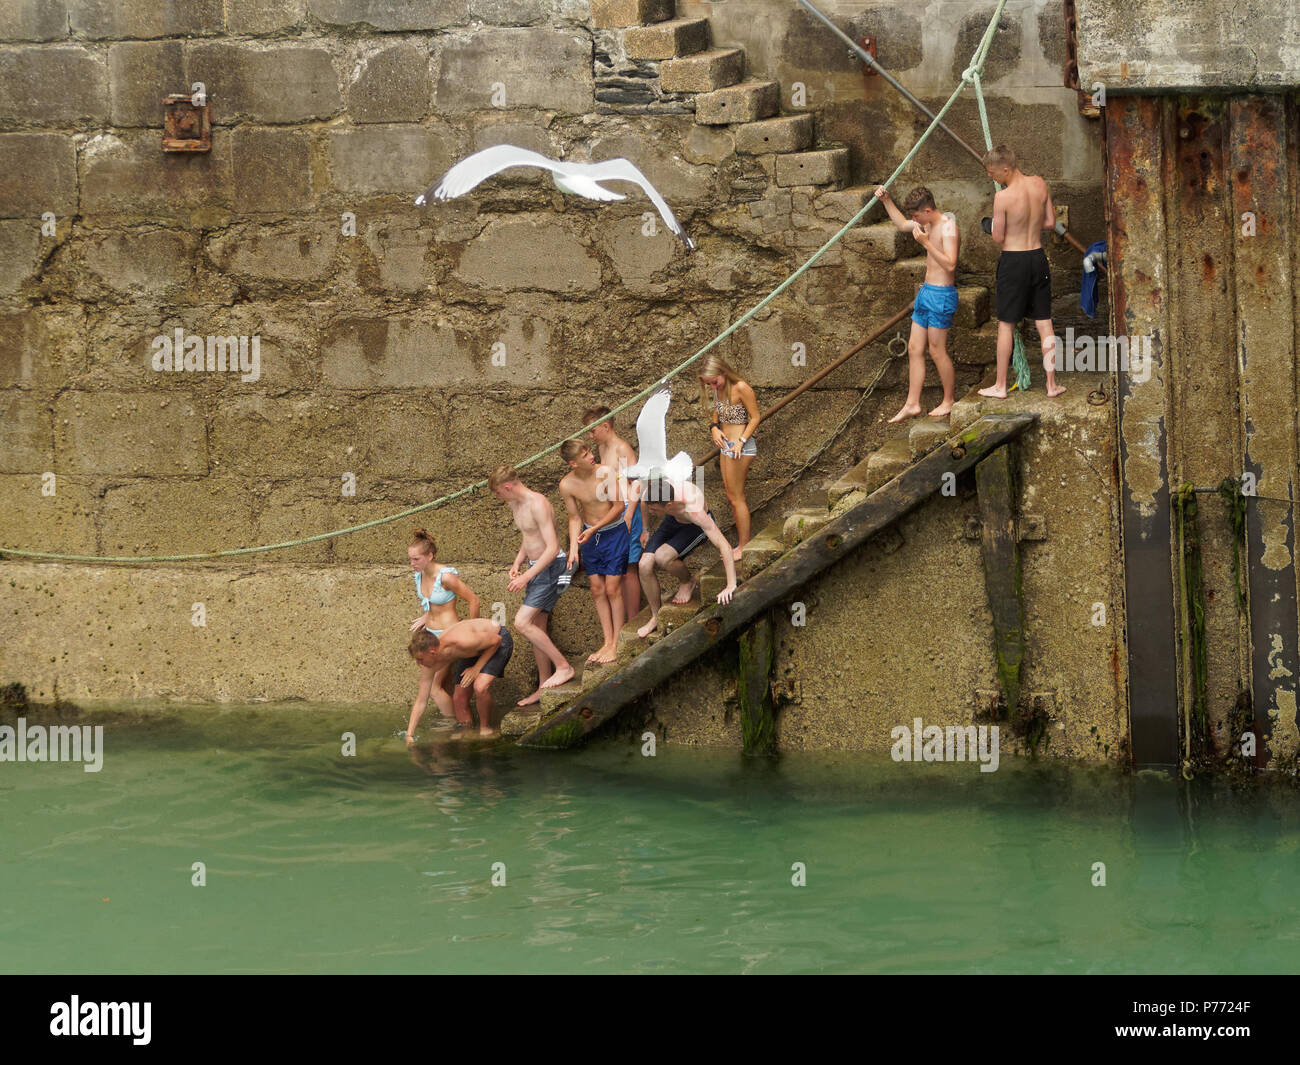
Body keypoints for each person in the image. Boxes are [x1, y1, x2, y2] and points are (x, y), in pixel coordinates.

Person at [977, 144, 1066, 399]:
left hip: (1013, 261)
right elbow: (1049, 222)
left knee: (1005, 324)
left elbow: (997, 237)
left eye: (992, 172)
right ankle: (1052, 385)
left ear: (1006, 168)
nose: (990, 176)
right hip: (1037, 258)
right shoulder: (1039, 183)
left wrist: (991, 225)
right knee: (1044, 321)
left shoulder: (1002, 198)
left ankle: (1000, 386)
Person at [488, 465, 575, 706]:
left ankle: (564, 667)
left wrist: (526, 577)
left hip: (551, 567)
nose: (499, 498)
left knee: (521, 622)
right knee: (538, 625)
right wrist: (518, 562)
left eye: (498, 493)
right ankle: (543, 686)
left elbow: (553, 548)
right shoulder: (514, 504)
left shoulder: (538, 504)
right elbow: (529, 537)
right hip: (536, 567)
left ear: (507, 487)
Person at [874, 184, 959, 421]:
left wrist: (926, 244)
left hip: (942, 295)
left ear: (929, 209)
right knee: (914, 348)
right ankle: (912, 403)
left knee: (936, 350)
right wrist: (887, 201)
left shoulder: (948, 227)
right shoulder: (926, 223)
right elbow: (902, 225)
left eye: (916, 216)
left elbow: (951, 264)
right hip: (925, 293)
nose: (914, 220)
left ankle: (948, 400)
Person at [629, 472, 738, 639]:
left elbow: (724, 545)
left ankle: (687, 581)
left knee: (662, 557)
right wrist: (645, 530)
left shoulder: (694, 509)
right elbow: (644, 500)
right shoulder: (655, 493)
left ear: (669, 504)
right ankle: (656, 617)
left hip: (693, 526)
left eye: (654, 509)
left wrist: (731, 585)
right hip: (672, 520)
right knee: (644, 565)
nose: (650, 511)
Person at [559, 438, 628, 664]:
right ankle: (607, 641)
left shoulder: (606, 472)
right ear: (573, 463)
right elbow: (574, 517)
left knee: (612, 587)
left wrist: (594, 530)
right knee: (597, 589)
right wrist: (572, 549)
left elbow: (618, 507)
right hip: (590, 537)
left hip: (613, 533)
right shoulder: (567, 484)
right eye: (585, 455)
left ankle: (617, 643)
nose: (591, 456)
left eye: (589, 451)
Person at [406, 528, 480, 731]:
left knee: (433, 688)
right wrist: (426, 616)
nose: (412, 563)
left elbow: (473, 600)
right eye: (411, 559)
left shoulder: (446, 577)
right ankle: (455, 721)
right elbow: (432, 601)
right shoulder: (419, 576)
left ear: (429, 556)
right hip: (429, 636)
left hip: (447, 637)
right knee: (442, 686)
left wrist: (470, 630)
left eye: (416, 559)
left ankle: (454, 725)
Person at [406, 619, 514, 741]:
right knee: (459, 697)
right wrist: (410, 734)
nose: (418, 663)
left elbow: (496, 640)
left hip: (497, 640)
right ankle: (466, 731)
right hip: (473, 651)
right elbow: (421, 700)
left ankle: (485, 728)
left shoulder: (461, 641)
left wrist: (476, 668)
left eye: (420, 659)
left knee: (480, 686)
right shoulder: (428, 664)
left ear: (432, 652)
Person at [583, 405, 644, 620]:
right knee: (620, 568)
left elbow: (637, 483)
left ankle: (634, 618)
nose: (590, 436)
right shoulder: (601, 449)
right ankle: (628, 618)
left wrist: (629, 515)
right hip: (615, 512)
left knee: (629, 567)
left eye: (592, 431)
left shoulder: (621, 448)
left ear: (605, 426)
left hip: (628, 508)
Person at [698, 354, 759, 561]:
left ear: (723, 372)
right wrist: (714, 428)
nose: (712, 387)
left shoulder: (741, 387)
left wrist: (741, 441)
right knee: (731, 497)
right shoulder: (718, 389)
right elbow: (717, 413)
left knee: (737, 497)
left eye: (714, 382)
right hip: (726, 447)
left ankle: (744, 545)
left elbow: (756, 417)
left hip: (740, 447)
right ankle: (741, 544)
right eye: (709, 384)